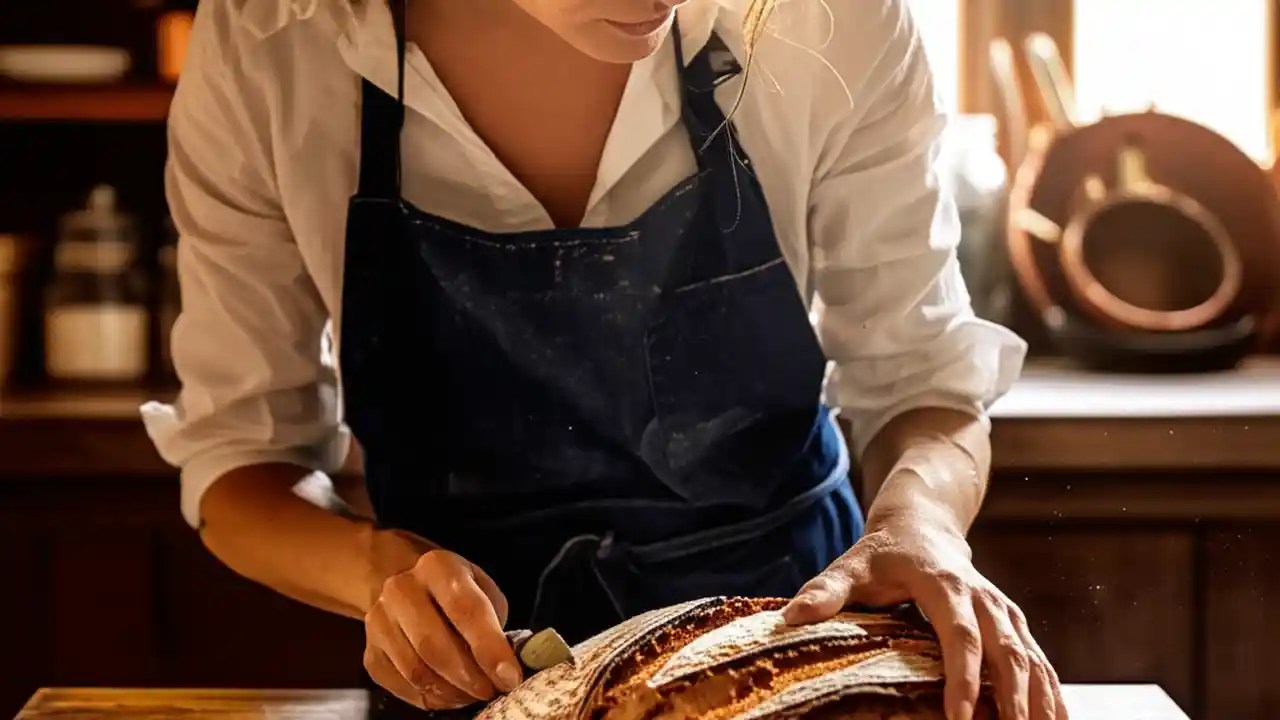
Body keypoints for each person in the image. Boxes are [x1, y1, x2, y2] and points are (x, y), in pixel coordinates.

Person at [142, 0, 1059, 718]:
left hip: (789, 669)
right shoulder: (272, 41)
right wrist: (374, 572)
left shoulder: (827, 20)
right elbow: (241, 462)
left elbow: (918, 379)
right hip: (475, 689)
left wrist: (920, 523)